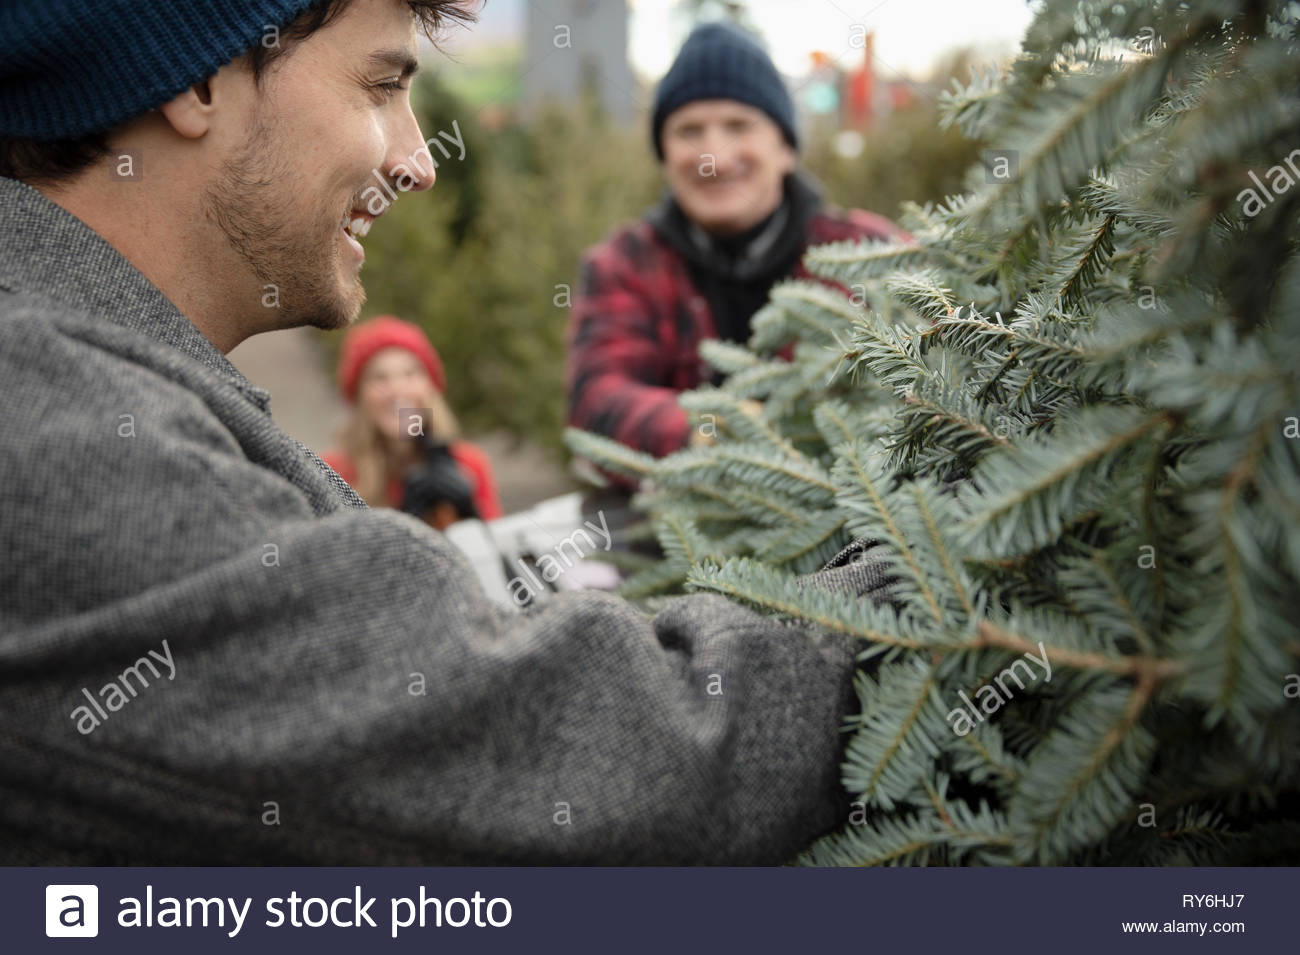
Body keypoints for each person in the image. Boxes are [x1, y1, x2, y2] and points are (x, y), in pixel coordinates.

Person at [0, 0, 892, 865]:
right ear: (196, 79)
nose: (421, 162)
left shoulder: (104, 375)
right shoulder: (56, 438)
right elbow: (538, 749)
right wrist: (917, 604)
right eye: (381, 85)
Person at [566, 22, 905, 463]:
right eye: (689, 131)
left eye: (738, 126)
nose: (714, 158)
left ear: (786, 148)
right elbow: (596, 400)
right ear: (663, 153)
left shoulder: (871, 254)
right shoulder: (623, 264)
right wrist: (715, 429)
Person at [322, 314, 503, 529]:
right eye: (380, 378)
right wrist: (405, 522)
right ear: (359, 395)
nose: (397, 389)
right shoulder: (332, 474)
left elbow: (495, 554)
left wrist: (472, 515)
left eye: (410, 374)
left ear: (430, 387)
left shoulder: (469, 465)